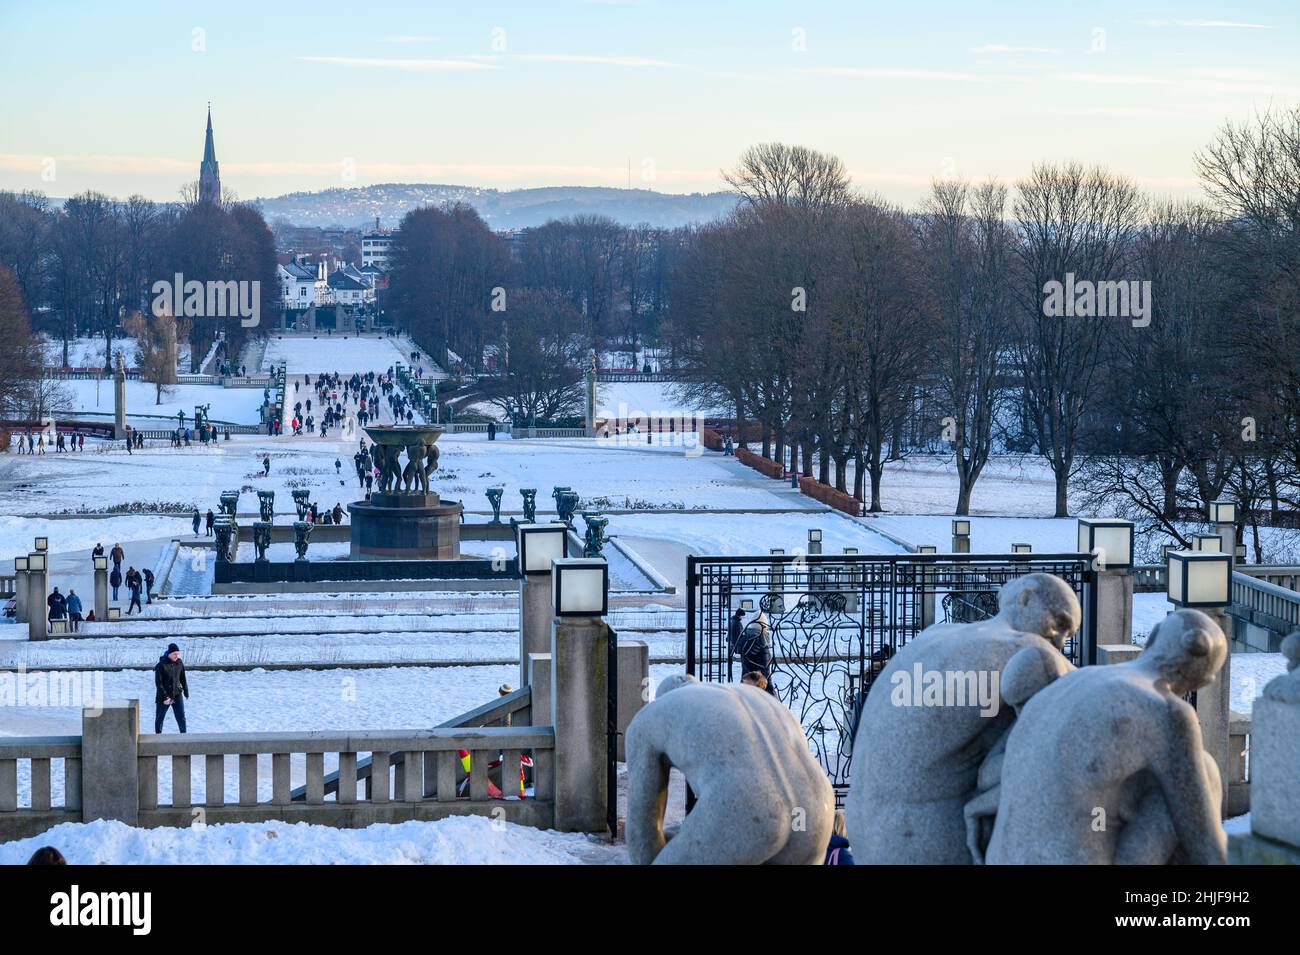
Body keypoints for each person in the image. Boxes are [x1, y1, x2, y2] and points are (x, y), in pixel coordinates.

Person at [154, 643, 189, 733]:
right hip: (163, 697)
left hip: (177, 695)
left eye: (178, 654)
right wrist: (166, 697)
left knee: (181, 717)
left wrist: (186, 691)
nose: (176, 656)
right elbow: (159, 684)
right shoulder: (160, 665)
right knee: (160, 718)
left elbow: (183, 678)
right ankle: (158, 737)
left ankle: (184, 736)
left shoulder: (179, 662)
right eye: (174, 654)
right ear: (169, 653)